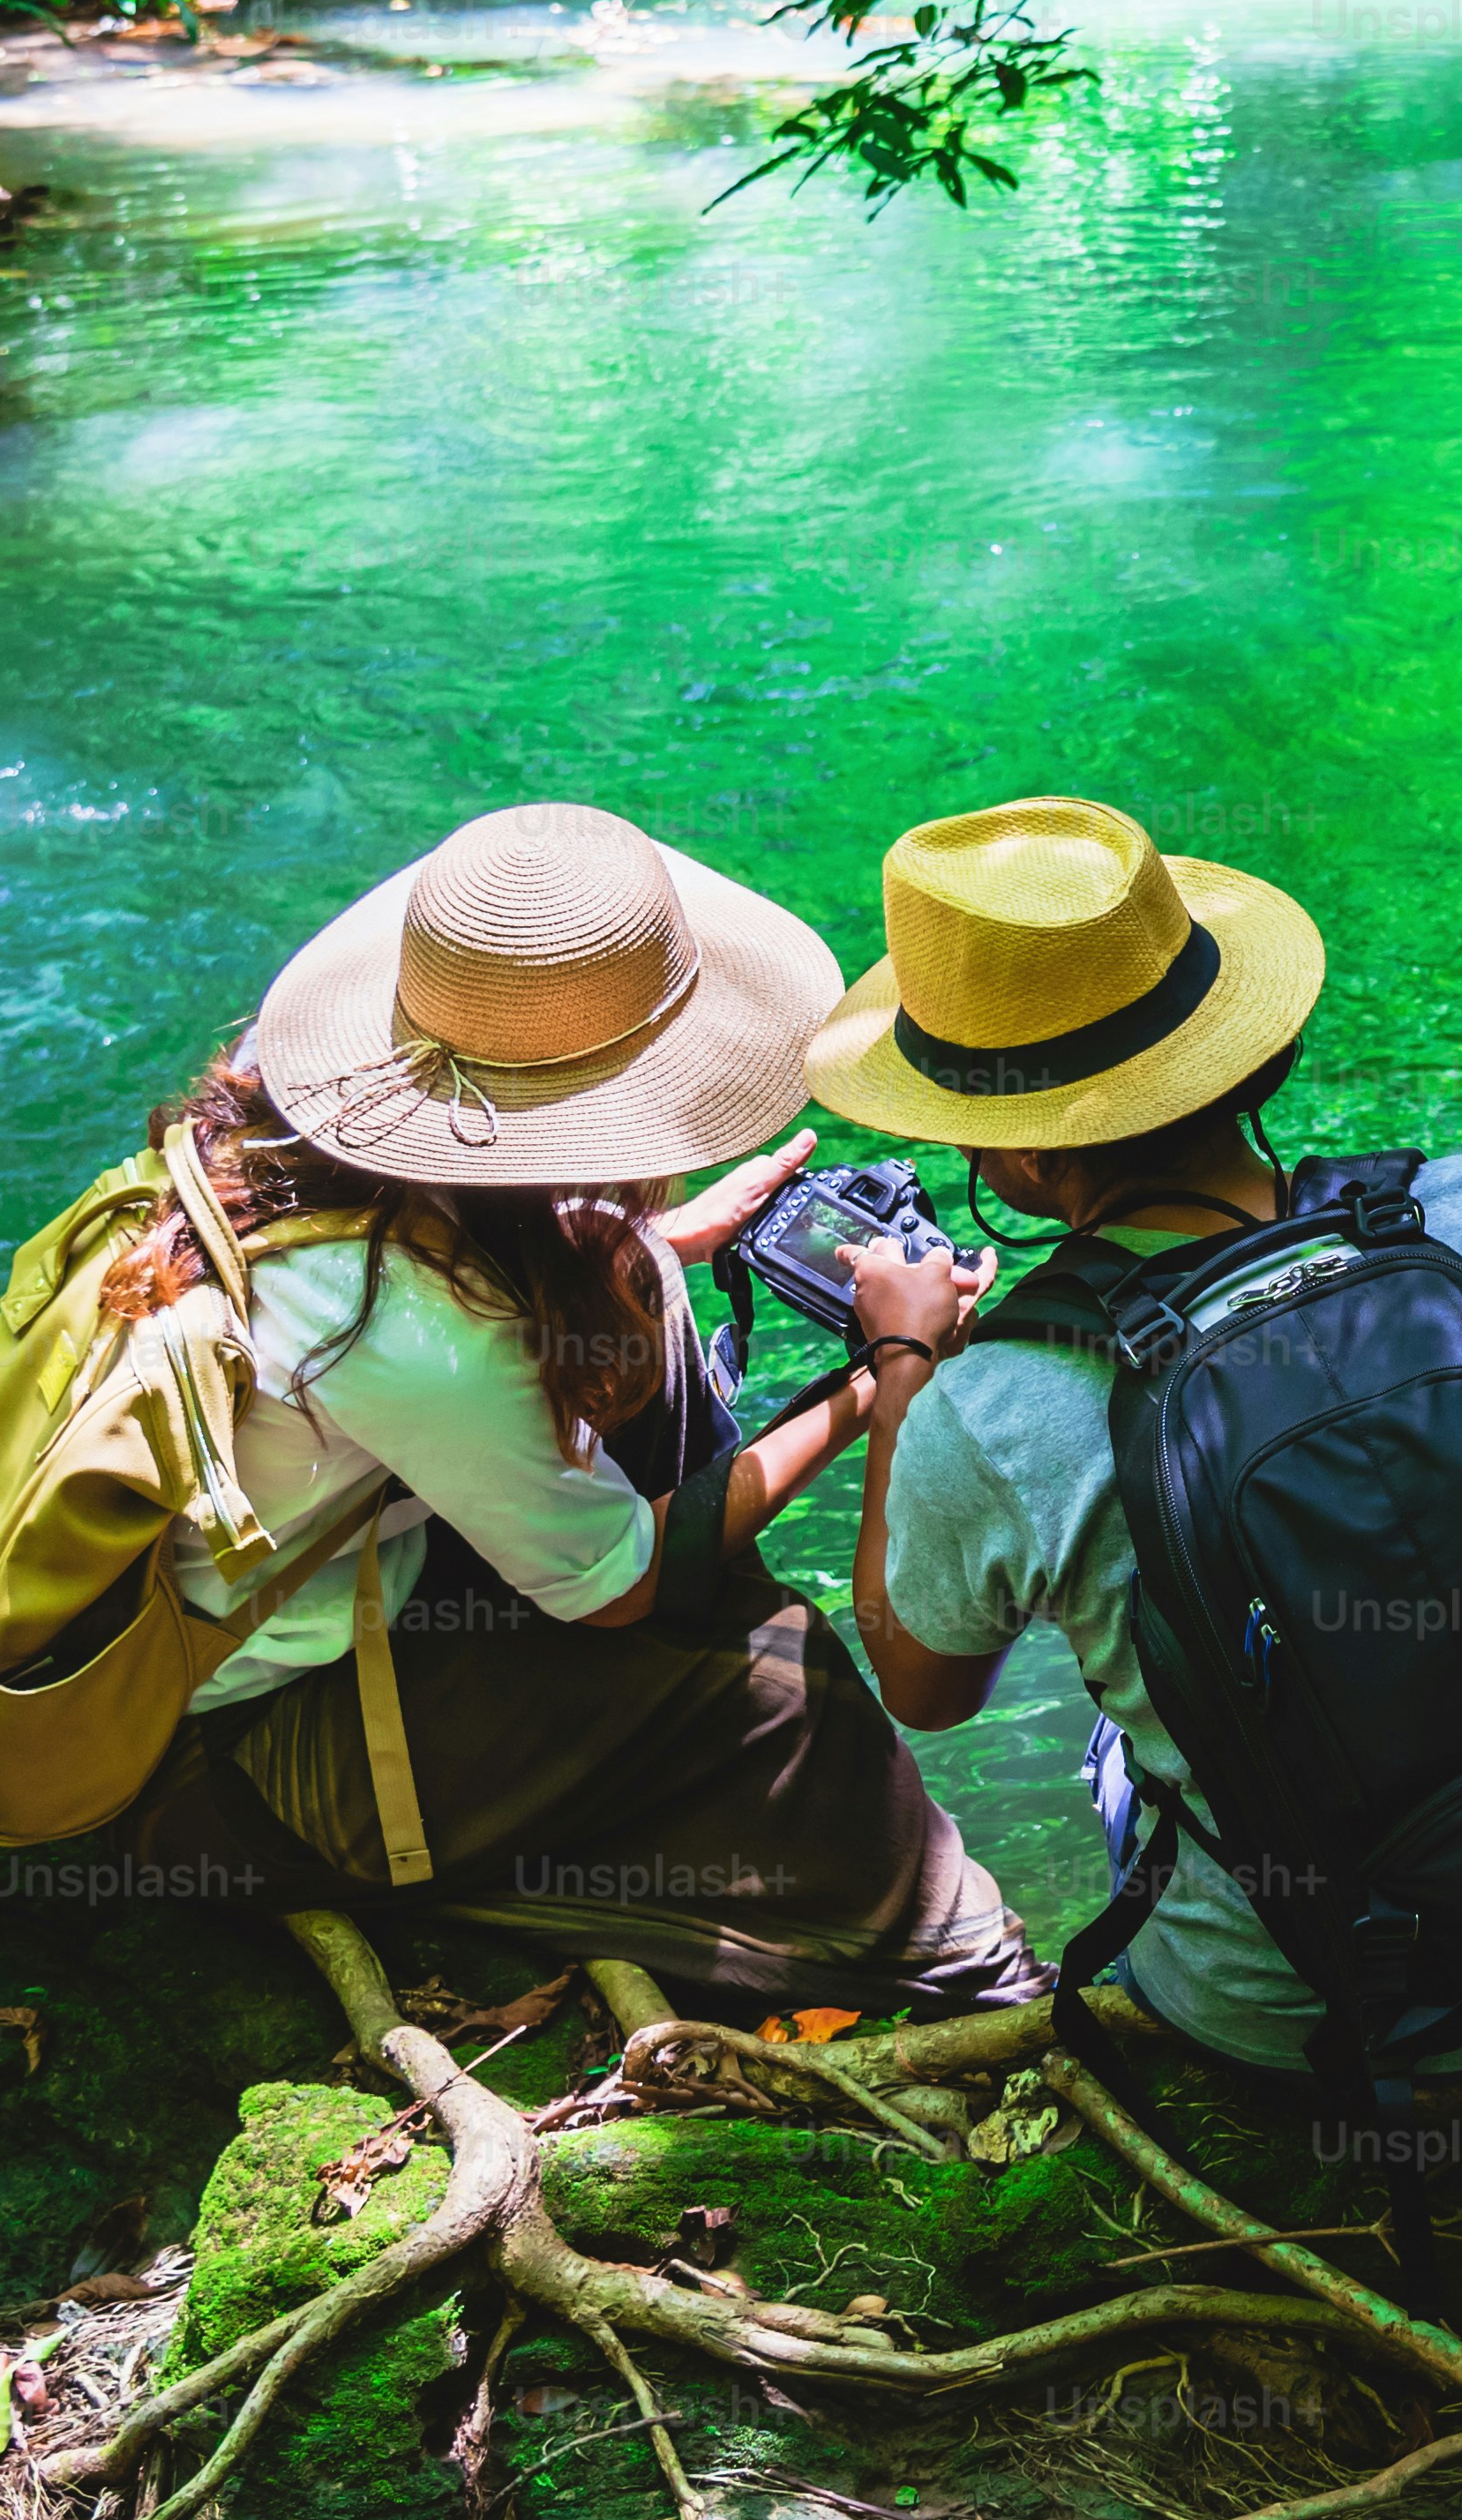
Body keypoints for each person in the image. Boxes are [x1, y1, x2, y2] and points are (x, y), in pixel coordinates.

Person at [806, 793, 1462, 2083]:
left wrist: (904, 1366)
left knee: (1122, 1743)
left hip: (1296, 2024)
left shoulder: (996, 1404)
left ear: (1020, 1158)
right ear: (1238, 1050)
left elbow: (925, 1690)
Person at [101, 800, 1035, 2020]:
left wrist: (657, 1246)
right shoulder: (411, 1330)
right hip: (249, 1763)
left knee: (643, 1340)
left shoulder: (284, 1148)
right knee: (784, 1686)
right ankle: (976, 1976)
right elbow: (617, 1586)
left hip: (245, 1618)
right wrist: (886, 1371)